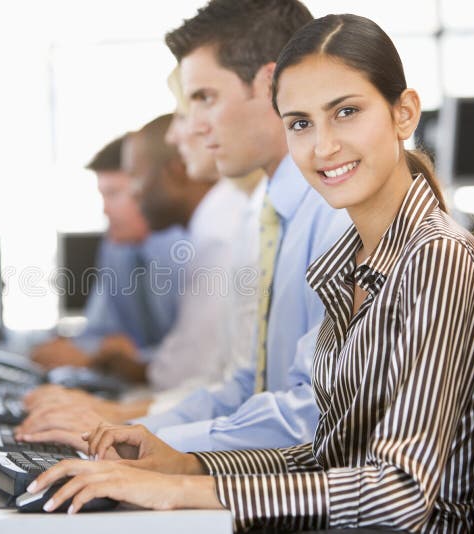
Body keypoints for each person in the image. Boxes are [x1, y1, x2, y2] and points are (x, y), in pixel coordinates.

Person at [26, 13, 474, 532]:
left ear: (404, 113)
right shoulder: (352, 260)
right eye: (300, 123)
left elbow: (400, 493)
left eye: (346, 112)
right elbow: (325, 454)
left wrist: (182, 490)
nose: (322, 146)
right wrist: (185, 462)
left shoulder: (437, 257)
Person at [21, 0, 350, 453]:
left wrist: (167, 458)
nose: (190, 129)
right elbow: (244, 389)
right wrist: (133, 434)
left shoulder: (337, 213)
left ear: (272, 84)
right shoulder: (266, 215)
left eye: (204, 98)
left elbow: (316, 418)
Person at [31, 135, 186, 370]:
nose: (105, 210)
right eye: (102, 195)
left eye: (113, 194)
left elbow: (194, 355)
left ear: (146, 186)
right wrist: (86, 349)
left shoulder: (183, 246)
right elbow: (98, 331)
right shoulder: (115, 248)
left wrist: (130, 358)